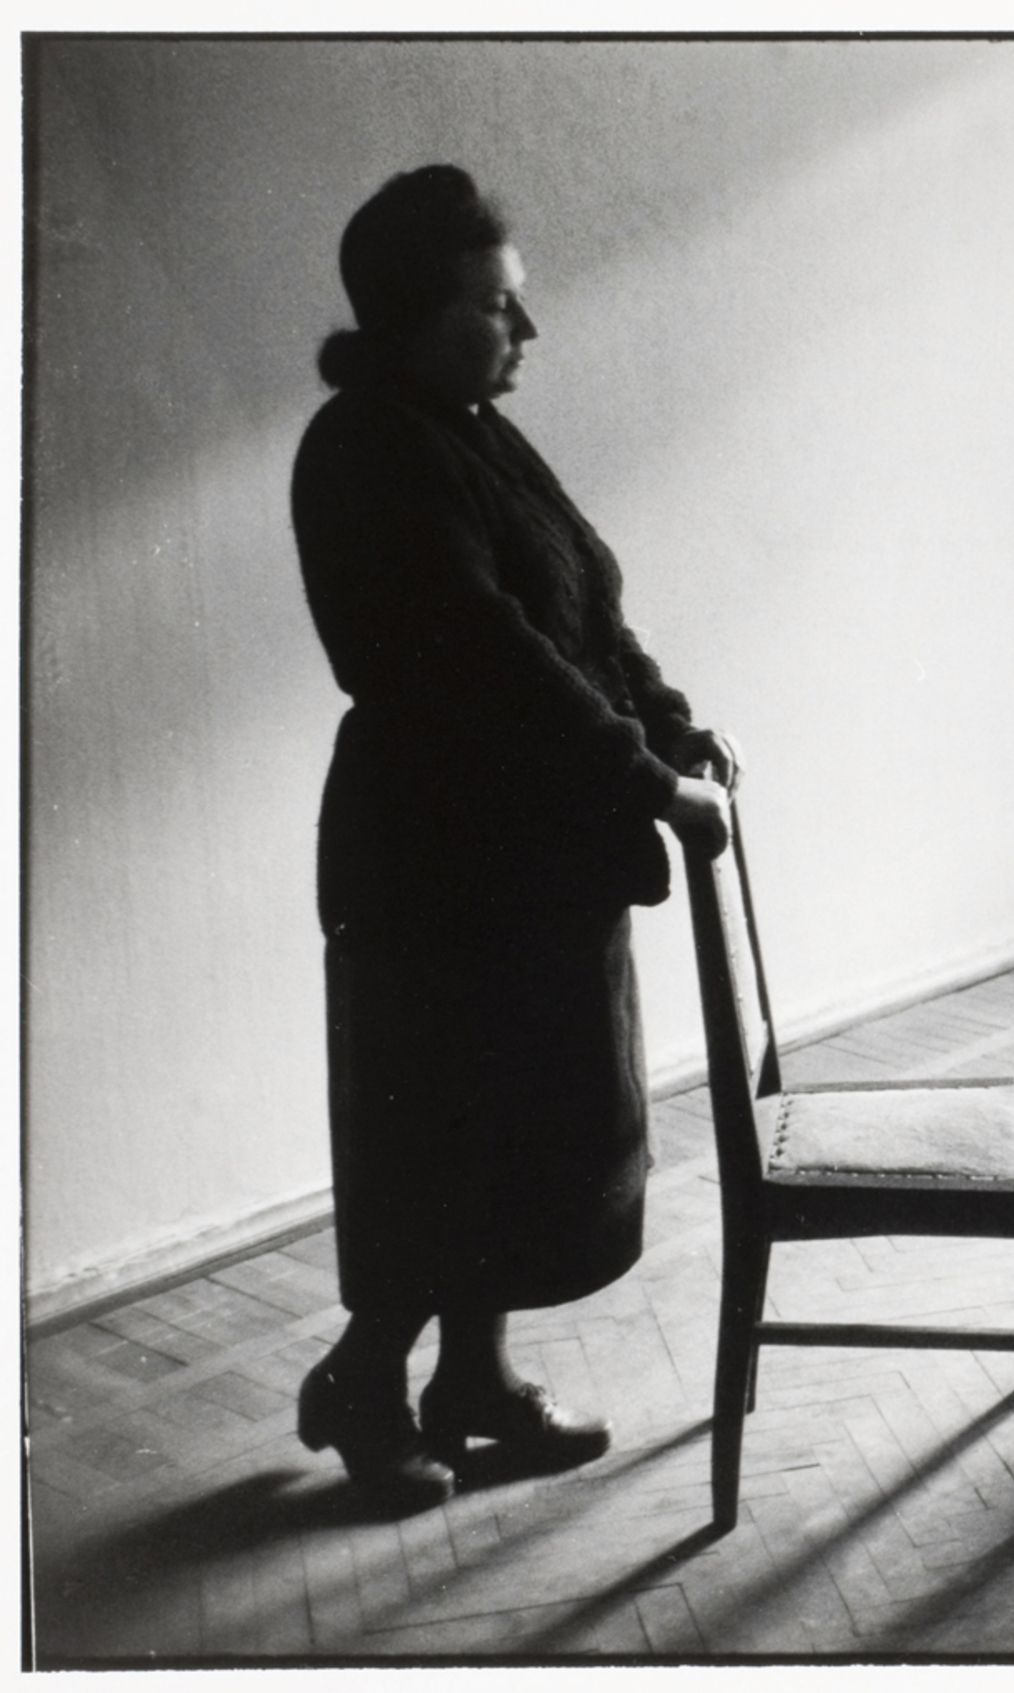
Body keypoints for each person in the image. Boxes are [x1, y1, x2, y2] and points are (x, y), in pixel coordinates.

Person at [290, 165, 737, 1512]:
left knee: (524, 1136)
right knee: (439, 1138)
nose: (524, 332)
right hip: (436, 863)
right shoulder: (371, 445)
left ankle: (472, 1383)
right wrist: (651, 787)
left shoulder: (469, 421)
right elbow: (489, 659)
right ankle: (366, 1386)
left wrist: (675, 729)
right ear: (418, 314)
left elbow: (580, 611)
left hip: (530, 854)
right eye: (497, 307)